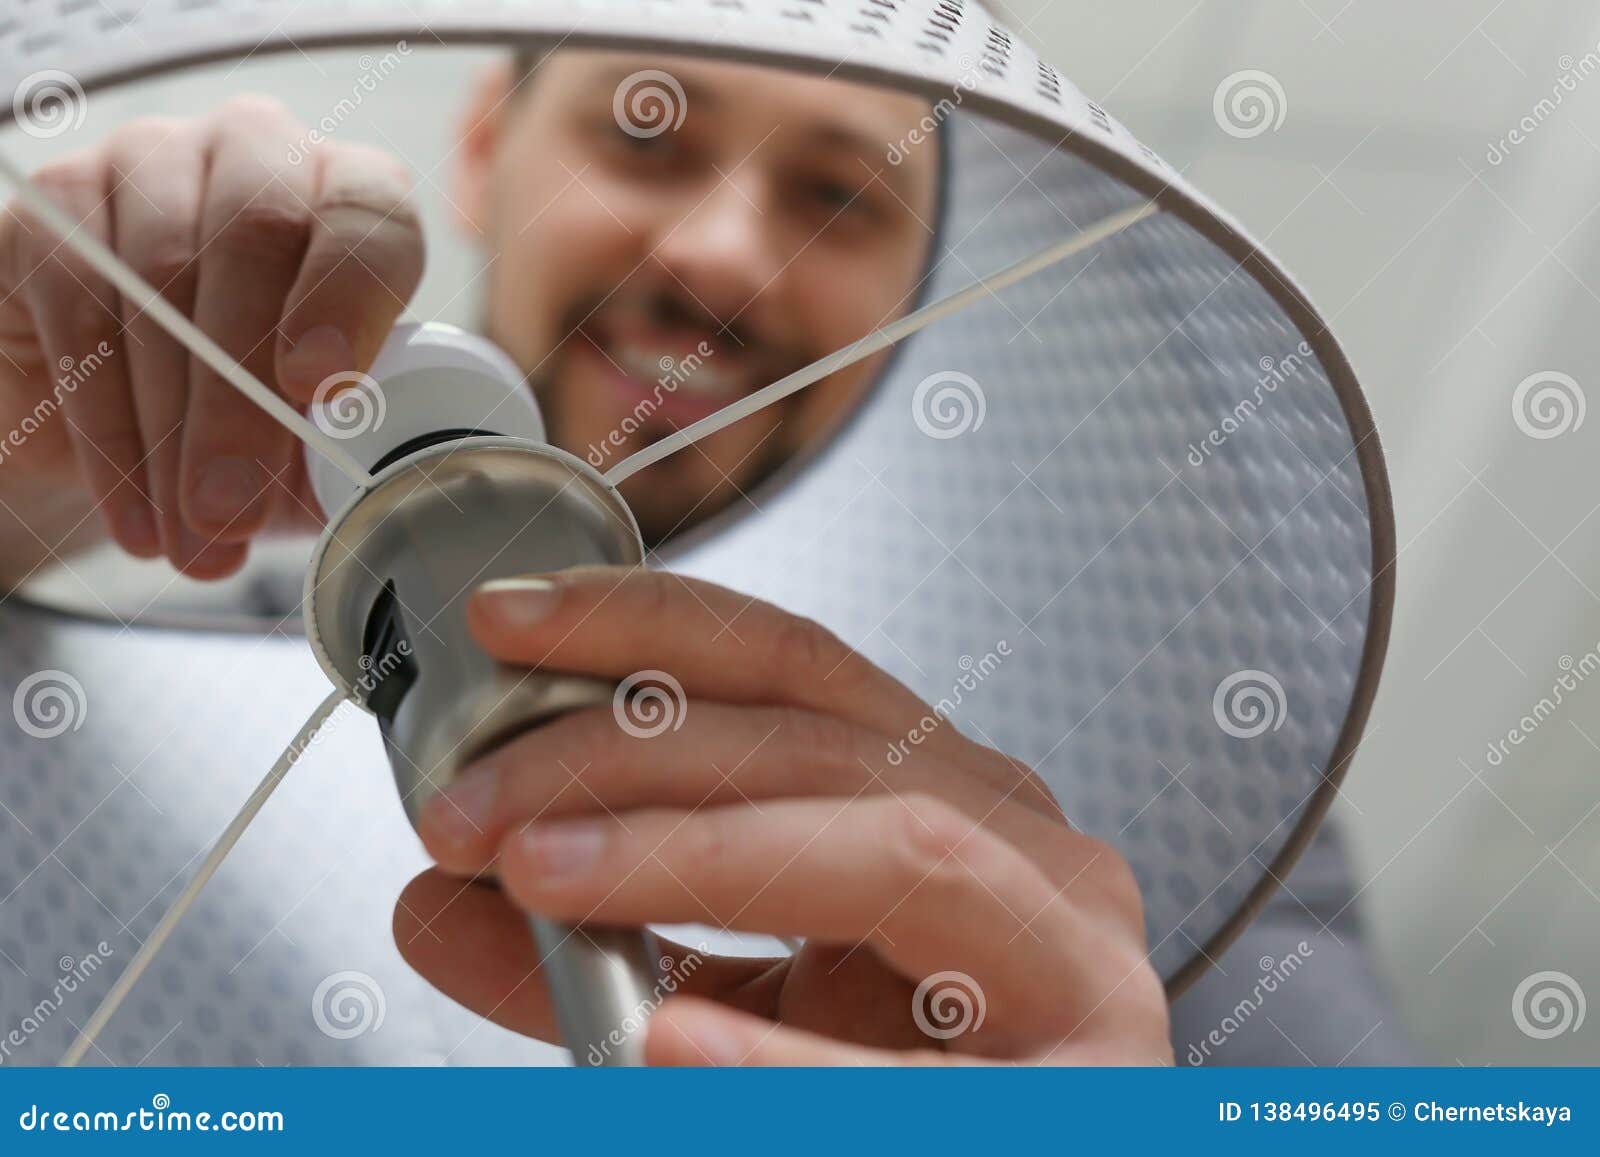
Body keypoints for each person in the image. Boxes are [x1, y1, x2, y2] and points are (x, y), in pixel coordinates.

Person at [0, 48, 1398, 1065]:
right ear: (485, 147)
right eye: (647, 134)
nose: (726, 255)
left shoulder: (1159, 797)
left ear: (920, 288)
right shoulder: (120, 722)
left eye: (839, 197)